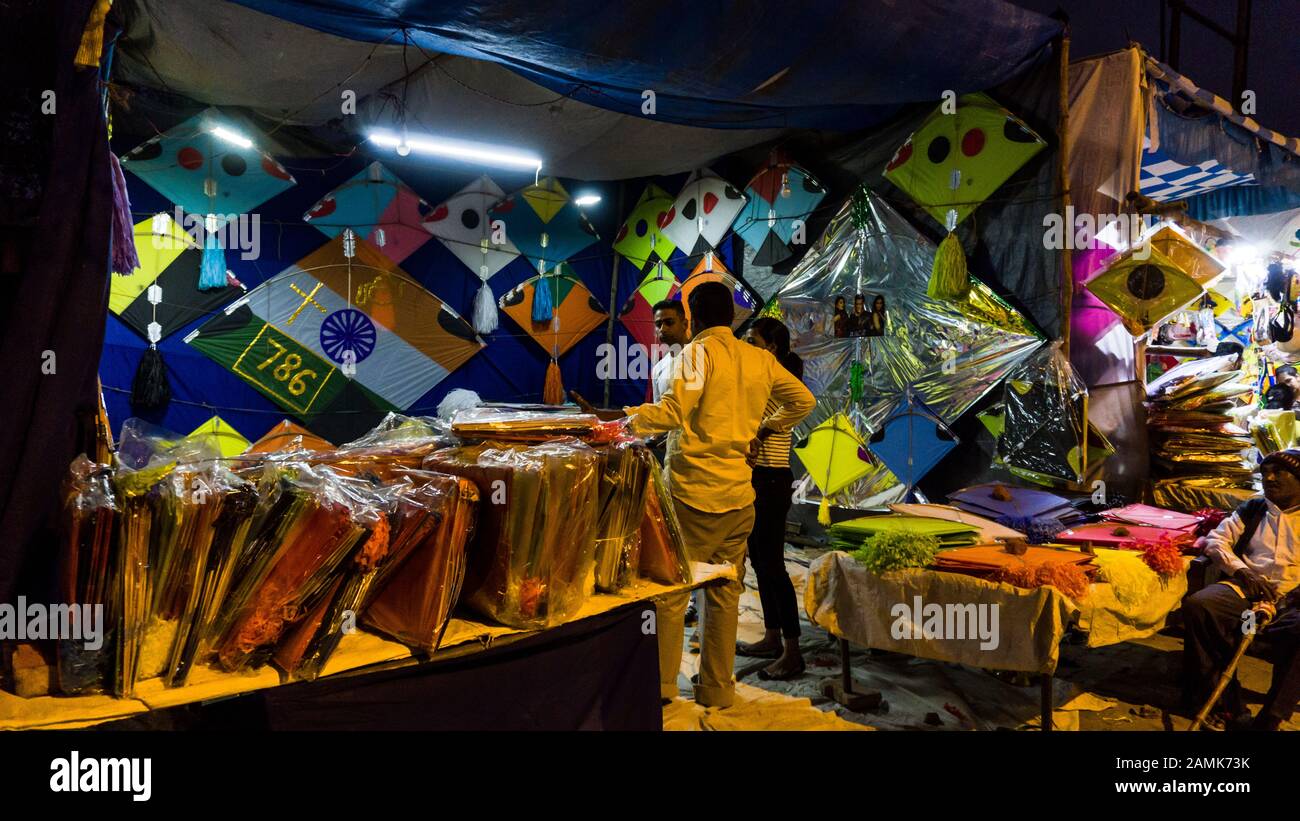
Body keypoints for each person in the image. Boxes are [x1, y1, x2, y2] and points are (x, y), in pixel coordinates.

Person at [624, 282, 815, 708]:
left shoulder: (697, 353)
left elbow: (672, 413)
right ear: (732, 316)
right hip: (739, 495)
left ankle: (663, 691)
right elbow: (803, 400)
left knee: (674, 591)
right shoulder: (759, 359)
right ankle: (716, 689)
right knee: (726, 593)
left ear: (692, 318)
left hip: (692, 493)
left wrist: (623, 422)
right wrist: (764, 427)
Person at [1182, 449, 1300, 730]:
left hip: (1294, 600)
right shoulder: (1253, 509)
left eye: (1278, 472)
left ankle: (1271, 717)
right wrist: (1243, 572)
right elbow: (1216, 542)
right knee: (1200, 606)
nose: (1269, 478)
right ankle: (1228, 704)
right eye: (1264, 474)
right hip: (1245, 590)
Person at [735, 318, 807, 680]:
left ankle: (793, 652)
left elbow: (803, 404)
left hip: (772, 480)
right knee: (762, 564)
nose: (746, 345)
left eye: (752, 340)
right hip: (757, 478)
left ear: (771, 347)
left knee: (774, 566)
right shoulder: (760, 376)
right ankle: (772, 637)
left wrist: (762, 430)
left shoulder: (781, 380)